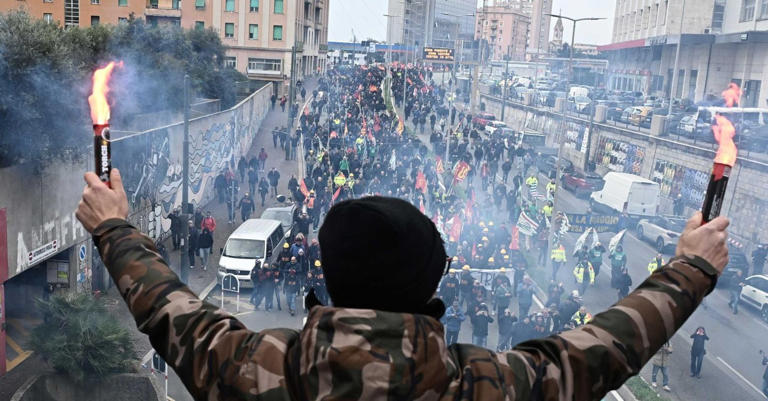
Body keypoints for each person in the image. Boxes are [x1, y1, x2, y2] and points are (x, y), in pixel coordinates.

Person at [77, 172, 731, 401]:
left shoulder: (256, 370)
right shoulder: (488, 384)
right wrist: (690, 267)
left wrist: (114, 228)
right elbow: (605, 347)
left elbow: (170, 309)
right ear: (430, 291)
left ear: (327, 279)